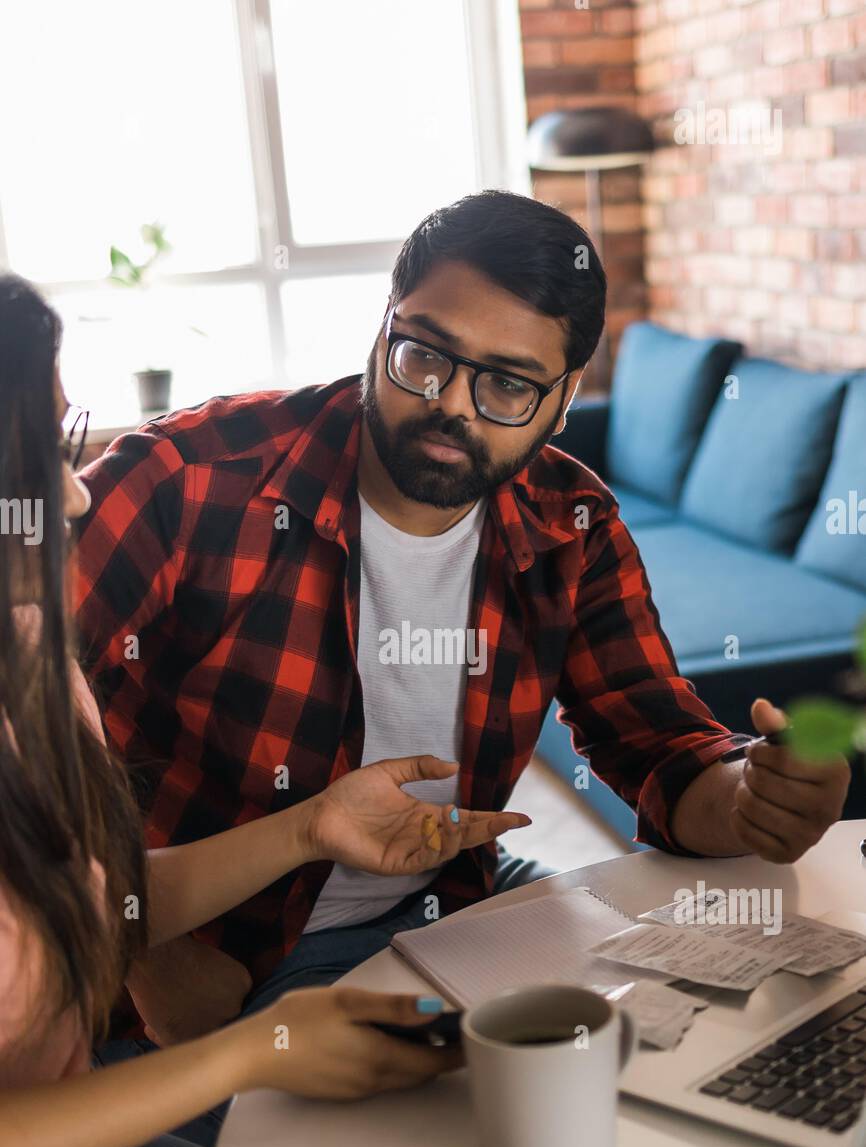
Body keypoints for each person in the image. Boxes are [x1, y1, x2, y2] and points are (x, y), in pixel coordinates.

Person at [74, 190, 850, 1083]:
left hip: (453, 903)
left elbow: (661, 751)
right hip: (222, 953)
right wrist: (148, 952)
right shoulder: (188, 480)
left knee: (686, 1057)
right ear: (381, 333)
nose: (450, 404)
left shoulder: (572, 524)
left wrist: (753, 798)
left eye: (510, 384)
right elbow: (24, 736)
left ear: (563, 403)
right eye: (425, 355)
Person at [0, 273, 534, 1147]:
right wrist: (253, 1050)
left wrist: (312, 828)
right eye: (34, 453)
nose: (75, 494)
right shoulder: (200, 481)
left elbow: (94, 906)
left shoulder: (28, 655)